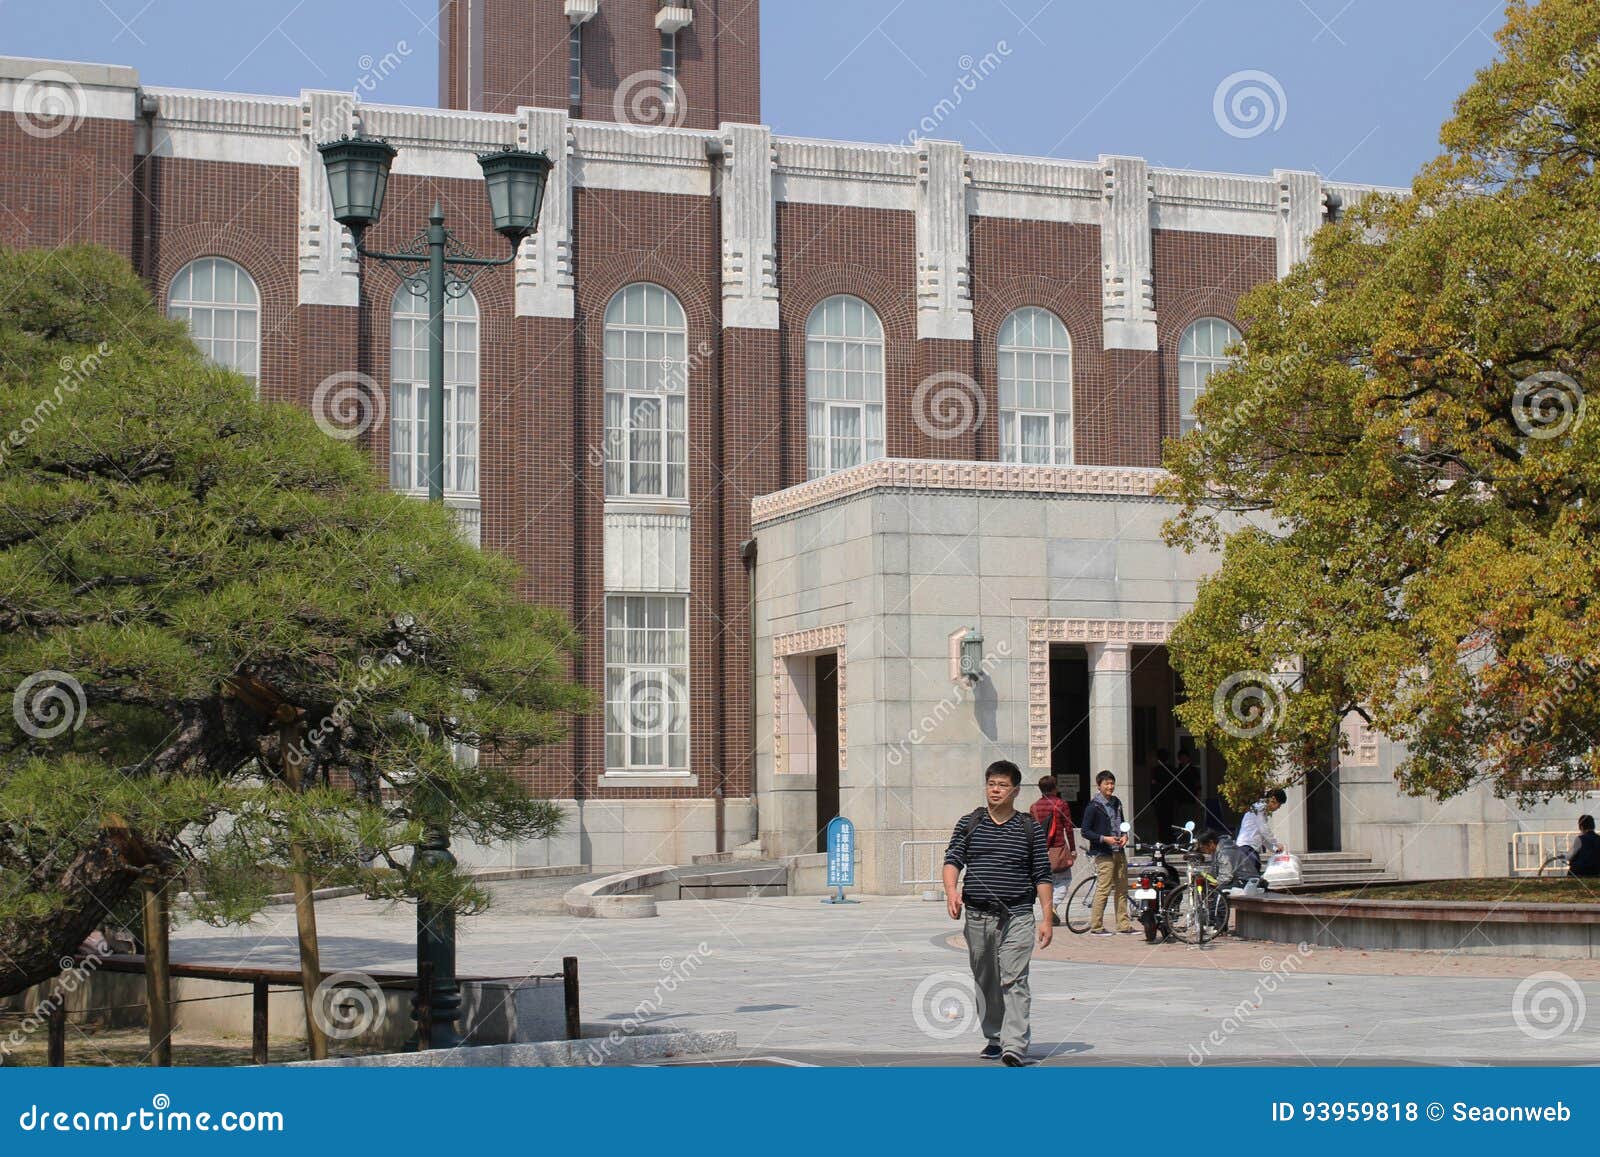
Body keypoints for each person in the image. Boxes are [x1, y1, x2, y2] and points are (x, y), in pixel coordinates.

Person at [942, 760, 1053, 1067]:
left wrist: (1046, 918)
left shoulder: (1029, 827)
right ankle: (994, 1036)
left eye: (1002, 785)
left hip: (1017, 915)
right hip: (977, 916)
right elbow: (952, 859)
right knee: (985, 978)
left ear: (1015, 791)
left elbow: (1042, 875)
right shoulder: (970, 823)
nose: (995, 789)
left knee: (1014, 979)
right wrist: (952, 891)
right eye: (991, 783)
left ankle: (1015, 1044)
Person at [1080, 770, 1135, 935]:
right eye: (1106, 784)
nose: (1110, 786)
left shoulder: (1117, 802)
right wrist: (1105, 839)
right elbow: (1085, 831)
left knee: (1122, 888)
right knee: (1104, 889)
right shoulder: (1093, 807)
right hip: (1103, 852)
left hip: (1119, 850)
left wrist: (1125, 835)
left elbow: (1122, 823)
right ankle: (1096, 926)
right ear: (1099, 786)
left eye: (1112, 783)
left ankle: (1123, 925)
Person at [1029, 775, 1078, 924]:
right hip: (1058, 849)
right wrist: (1073, 848)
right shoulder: (1061, 804)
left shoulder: (1034, 807)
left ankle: (1048, 911)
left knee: (1045, 881)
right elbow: (1068, 828)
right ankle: (1053, 906)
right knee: (1064, 880)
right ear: (1054, 788)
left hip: (1041, 851)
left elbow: (1031, 831)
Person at [1236, 787, 1288, 879]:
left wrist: (1275, 849)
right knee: (1251, 877)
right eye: (1279, 805)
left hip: (1249, 848)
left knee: (1254, 874)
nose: (1278, 808)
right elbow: (1264, 830)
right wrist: (1276, 843)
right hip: (1247, 848)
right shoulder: (1259, 808)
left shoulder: (1260, 810)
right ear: (1273, 800)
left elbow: (1263, 836)